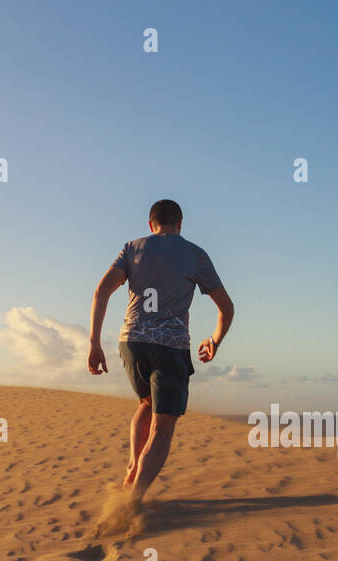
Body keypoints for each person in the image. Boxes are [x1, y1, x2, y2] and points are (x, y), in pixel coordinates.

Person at [88, 199, 235, 506]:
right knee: (163, 424)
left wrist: (94, 343)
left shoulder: (132, 248)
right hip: (170, 347)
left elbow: (101, 290)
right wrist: (215, 340)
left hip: (131, 344)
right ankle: (133, 500)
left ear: (151, 224)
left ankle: (131, 468)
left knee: (146, 402)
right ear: (180, 225)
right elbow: (226, 307)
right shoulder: (194, 254)